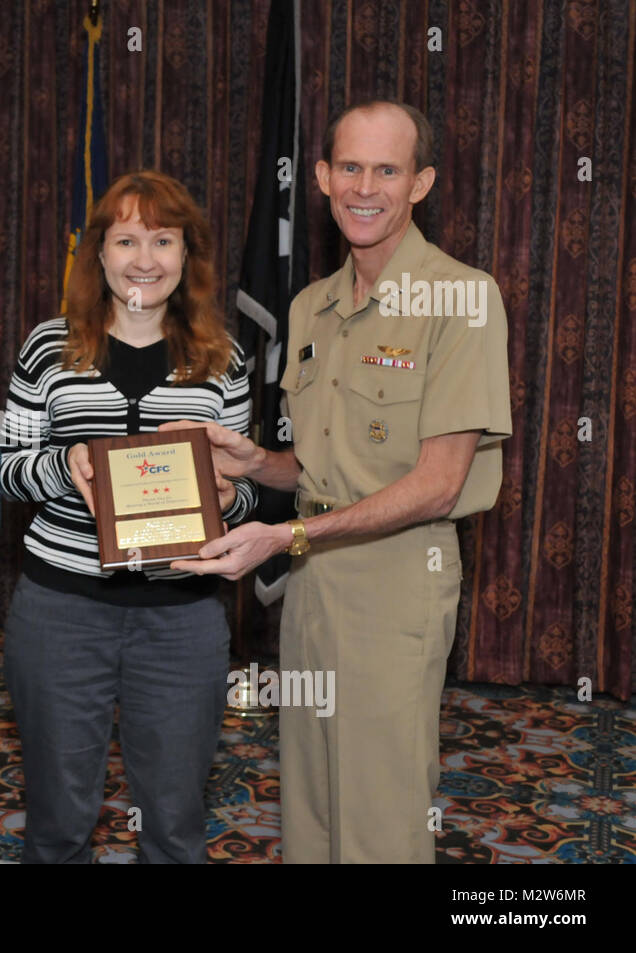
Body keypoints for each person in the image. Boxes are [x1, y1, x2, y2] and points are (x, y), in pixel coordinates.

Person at [167, 100, 512, 863]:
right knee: (312, 802)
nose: (365, 187)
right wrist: (255, 463)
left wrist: (287, 533)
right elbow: (322, 467)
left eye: (387, 169)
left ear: (420, 182)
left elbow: (438, 484)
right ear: (322, 177)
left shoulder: (461, 298)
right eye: (349, 166)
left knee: (380, 812)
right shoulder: (312, 306)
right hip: (311, 579)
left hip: (398, 578)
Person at [0, 170, 258, 864]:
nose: (145, 258)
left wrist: (228, 498)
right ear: (99, 252)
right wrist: (67, 464)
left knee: (174, 824)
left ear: (187, 254)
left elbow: (245, 487)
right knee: (57, 822)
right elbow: (5, 469)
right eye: (127, 240)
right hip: (61, 611)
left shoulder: (224, 357)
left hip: (181, 620)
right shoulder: (49, 347)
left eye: (163, 240)